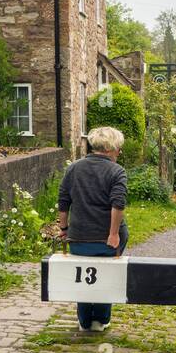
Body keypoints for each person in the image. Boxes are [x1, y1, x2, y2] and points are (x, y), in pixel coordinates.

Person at [57, 126, 129, 332]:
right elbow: (118, 204)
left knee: (82, 277)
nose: (119, 152)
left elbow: (63, 201)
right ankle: (101, 320)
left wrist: (64, 228)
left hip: (78, 238)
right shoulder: (117, 171)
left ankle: (84, 321)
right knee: (105, 278)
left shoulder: (74, 168)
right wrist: (113, 234)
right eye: (118, 148)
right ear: (110, 148)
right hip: (106, 241)